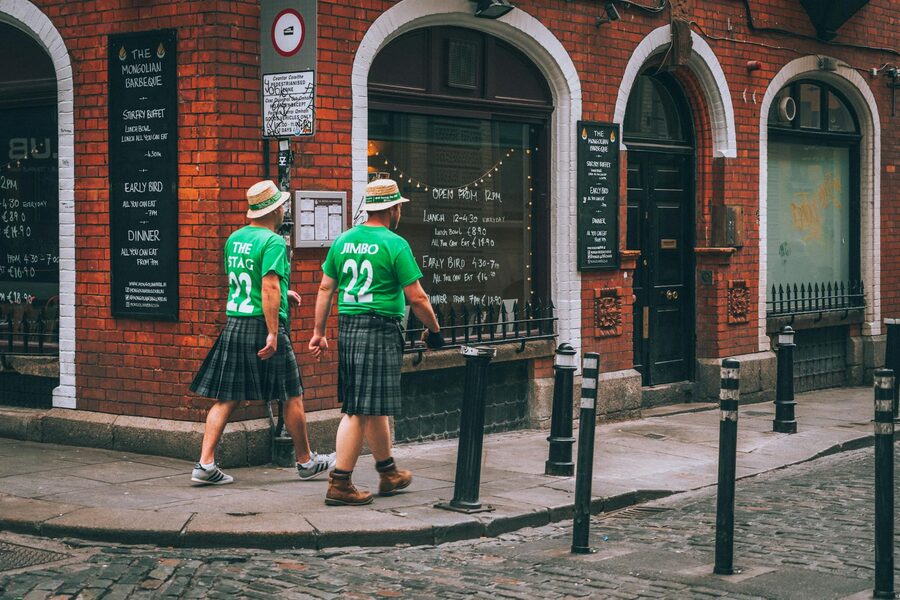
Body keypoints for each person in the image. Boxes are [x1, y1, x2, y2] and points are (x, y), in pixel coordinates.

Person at [189, 180, 335, 485]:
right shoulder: (273, 243)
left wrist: (285, 292)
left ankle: (204, 464)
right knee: (291, 394)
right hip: (263, 326)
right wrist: (272, 332)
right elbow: (267, 285)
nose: (283, 209)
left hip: (236, 322)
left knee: (227, 397)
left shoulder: (235, 239)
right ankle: (306, 461)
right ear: (274, 210)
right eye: (281, 205)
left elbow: (249, 280)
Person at [309, 178, 442, 506]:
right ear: (394, 208)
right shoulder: (395, 244)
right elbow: (418, 297)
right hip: (379, 329)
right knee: (357, 409)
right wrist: (435, 330)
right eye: (399, 207)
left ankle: (388, 472)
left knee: (372, 405)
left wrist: (318, 332)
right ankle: (340, 482)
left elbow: (326, 288)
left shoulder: (343, 241)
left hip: (350, 328)